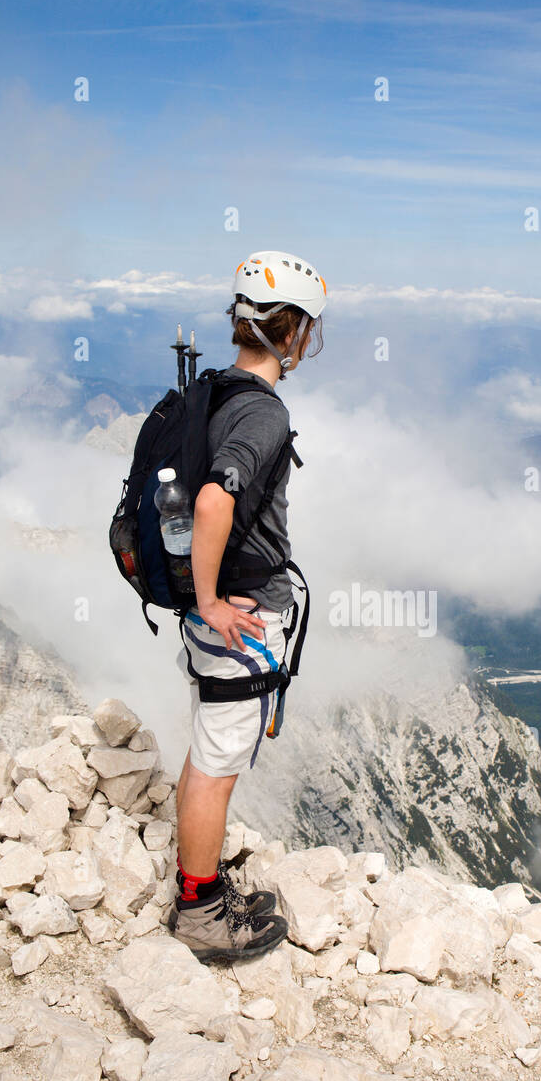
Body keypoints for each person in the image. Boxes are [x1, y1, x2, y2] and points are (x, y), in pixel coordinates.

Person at [168, 251, 326, 961]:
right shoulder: (262, 413)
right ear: (290, 332)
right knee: (216, 762)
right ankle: (200, 913)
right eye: (309, 329)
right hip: (239, 616)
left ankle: (199, 884)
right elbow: (213, 499)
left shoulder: (215, 390)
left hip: (215, 608)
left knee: (209, 747)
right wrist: (209, 604)